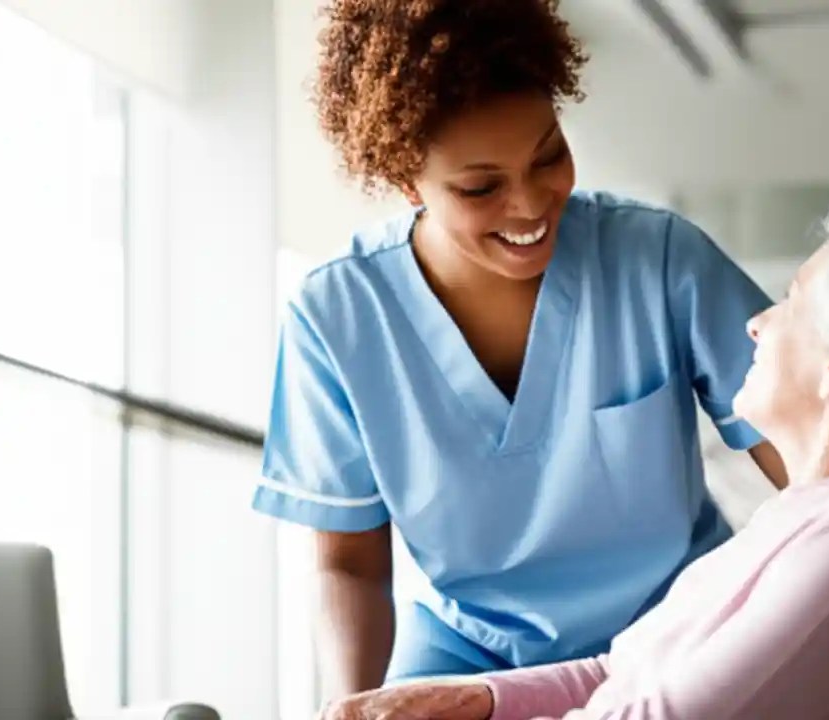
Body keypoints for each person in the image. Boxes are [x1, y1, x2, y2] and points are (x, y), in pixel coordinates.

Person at [252, 0, 786, 697]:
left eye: (549, 156)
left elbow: (812, 452)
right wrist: (354, 705)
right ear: (405, 179)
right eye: (481, 187)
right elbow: (349, 565)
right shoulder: (337, 318)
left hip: (679, 625)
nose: (532, 204)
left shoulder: (658, 258)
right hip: (470, 648)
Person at [319, 194, 829, 719]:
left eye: (790, 301)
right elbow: (625, 672)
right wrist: (477, 699)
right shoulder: (824, 515)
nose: (756, 322)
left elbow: (666, 719)